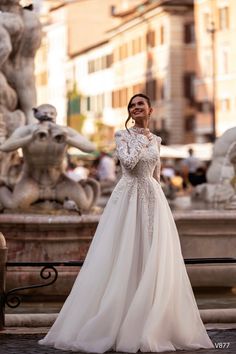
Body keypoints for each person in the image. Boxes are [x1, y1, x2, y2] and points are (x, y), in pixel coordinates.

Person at [39, 94, 214, 352]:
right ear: (130, 112)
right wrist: (142, 141)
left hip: (152, 199)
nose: (135, 108)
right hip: (128, 197)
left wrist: (164, 193)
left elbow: (155, 173)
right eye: (132, 106)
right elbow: (129, 164)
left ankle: (150, 321)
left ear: (150, 109)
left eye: (140, 104)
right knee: (124, 253)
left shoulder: (157, 139)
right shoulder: (123, 136)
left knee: (152, 255)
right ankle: (118, 322)